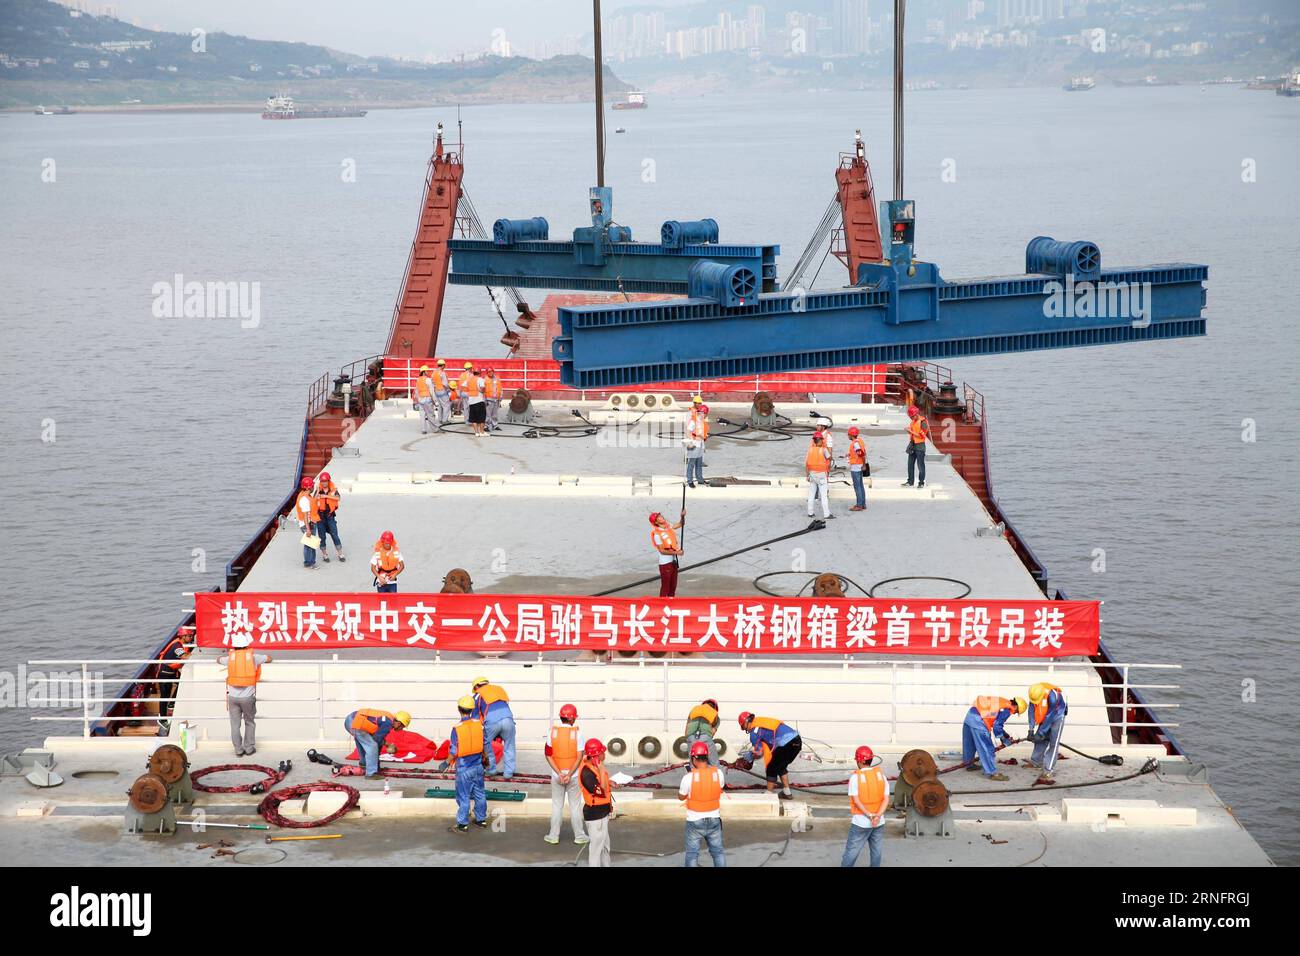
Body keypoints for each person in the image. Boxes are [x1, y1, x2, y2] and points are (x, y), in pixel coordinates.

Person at [216, 634, 270, 757]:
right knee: (249, 722)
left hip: (233, 698)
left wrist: (223, 658)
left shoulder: (229, 658)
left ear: (234, 646)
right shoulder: (254, 657)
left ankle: (238, 750)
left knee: (235, 725)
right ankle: (249, 748)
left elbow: (218, 660)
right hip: (247, 697)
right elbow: (269, 658)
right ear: (246, 645)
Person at [543, 703, 588, 846]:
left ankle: (553, 836)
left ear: (561, 717)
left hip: (557, 776)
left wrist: (559, 773)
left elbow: (548, 755)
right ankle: (580, 836)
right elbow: (580, 756)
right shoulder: (578, 734)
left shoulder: (552, 732)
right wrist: (569, 774)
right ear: (573, 719)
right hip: (573, 777)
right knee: (575, 807)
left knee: (557, 806)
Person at [678, 740, 726, 867]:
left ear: (693, 758)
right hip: (714, 819)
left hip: (694, 820)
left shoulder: (688, 777)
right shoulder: (718, 773)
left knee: (692, 854)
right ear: (707, 756)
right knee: (718, 853)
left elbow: (681, 796)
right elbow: (719, 788)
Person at [841, 745, 890, 867]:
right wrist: (877, 816)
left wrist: (870, 815)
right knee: (876, 850)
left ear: (860, 761)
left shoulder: (855, 777)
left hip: (861, 822)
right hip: (879, 822)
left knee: (851, 851)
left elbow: (856, 801)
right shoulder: (881, 776)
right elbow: (886, 799)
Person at [738, 711, 803, 799]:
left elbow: (759, 753)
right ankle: (787, 792)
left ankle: (769, 794)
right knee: (780, 766)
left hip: (785, 744)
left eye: (743, 727)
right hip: (797, 741)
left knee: (771, 767)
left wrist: (749, 758)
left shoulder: (754, 732)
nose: (745, 730)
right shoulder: (761, 721)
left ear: (745, 723)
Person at [962, 695, 1026, 781]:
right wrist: (1003, 739)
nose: (1014, 713)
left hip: (970, 716)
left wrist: (1004, 733)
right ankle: (992, 773)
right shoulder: (1007, 709)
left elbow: (994, 719)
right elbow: (997, 725)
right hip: (979, 721)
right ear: (1016, 707)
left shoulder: (1003, 702)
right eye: (1016, 712)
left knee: (969, 744)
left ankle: (968, 764)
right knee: (987, 748)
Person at [449, 696, 489, 832]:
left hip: (464, 768)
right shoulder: (479, 725)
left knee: (464, 796)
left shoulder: (457, 729)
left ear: (459, 709)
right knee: (480, 793)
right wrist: (486, 760)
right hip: (478, 767)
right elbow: (484, 745)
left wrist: (445, 763)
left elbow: (454, 751)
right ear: (472, 709)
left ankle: (462, 824)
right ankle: (481, 820)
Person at [578, 738, 616, 866]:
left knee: (605, 848)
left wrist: (611, 782)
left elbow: (603, 782)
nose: (604, 754)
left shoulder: (594, 766)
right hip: (595, 817)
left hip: (602, 814)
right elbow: (602, 790)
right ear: (595, 756)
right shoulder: (586, 774)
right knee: (596, 850)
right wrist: (601, 769)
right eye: (602, 752)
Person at [344, 708, 410, 779]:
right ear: (399, 723)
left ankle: (364, 765)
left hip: (352, 719)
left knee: (364, 741)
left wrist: (386, 744)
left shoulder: (388, 718)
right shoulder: (388, 724)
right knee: (372, 746)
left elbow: (377, 736)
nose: (402, 729)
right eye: (402, 727)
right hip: (355, 722)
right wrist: (388, 746)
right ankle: (371, 773)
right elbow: (377, 740)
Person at [471, 677, 516, 778]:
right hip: (508, 719)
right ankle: (508, 773)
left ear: (477, 686)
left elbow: (475, 718)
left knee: (486, 744)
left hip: (492, 722)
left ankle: (491, 770)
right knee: (509, 746)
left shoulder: (477, 695)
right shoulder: (499, 689)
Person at [1025, 682, 1068, 779]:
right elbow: (1031, 711)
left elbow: (1050, 716)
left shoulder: (1053, 697)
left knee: (1054, 742)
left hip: (1057, 716)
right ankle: (1036, 761)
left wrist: (1041, 732)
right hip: (1046, 715)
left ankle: (1048, 770)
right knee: (1040, 739)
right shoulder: (1034, 693)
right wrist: (1031, 730)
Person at [650, 510, 685, 597]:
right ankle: (661, 605)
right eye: (659, 517)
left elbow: (681, 524)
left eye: (661, 516)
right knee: (665, 587)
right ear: (656, 522)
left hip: (673, 562)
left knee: (673, 587)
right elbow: (662, 551)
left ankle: (670, 605)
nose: (662, 517)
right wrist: (677, 552)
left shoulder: (668, 528)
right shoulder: (657, 534)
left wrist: (682, 516)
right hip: (665, 564)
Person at [314, 472, 345, 563]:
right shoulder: (318, 490)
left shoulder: (334, 490)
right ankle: (325, 555)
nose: (324, 483)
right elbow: (313, 500)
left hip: (330, 516)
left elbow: (338, 498)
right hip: (320, 517)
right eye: (322, 481)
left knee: (335, 535)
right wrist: (317, 493)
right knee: (322, 537)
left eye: (325, 481)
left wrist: (326, 496)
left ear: (328, 481)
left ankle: (340, 554)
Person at [683, 698, 721, 766]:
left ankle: (692, 773)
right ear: (714, 707)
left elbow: (686, 730)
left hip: (691, 737)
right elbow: (712, 732)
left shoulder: (694, 710)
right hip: (705, 738)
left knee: (693, 765)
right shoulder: (715, 714)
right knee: (715, 764)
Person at [805, 430, 833, 519]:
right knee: (824, 495)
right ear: (821, 440)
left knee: (811, 494)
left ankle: (810, 513)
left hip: (812, 474)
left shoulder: (810, 450)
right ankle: (826, 514)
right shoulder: (823, 449)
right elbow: (830, 458)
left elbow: (806, 463)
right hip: (821, 475)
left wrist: (807, 475)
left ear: (814, 440)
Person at [293, 477, 320, 569]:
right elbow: (305, 516)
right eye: (312, 486)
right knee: (310, 544)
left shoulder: (304, 495)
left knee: (309, 544)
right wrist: (308, 529)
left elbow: (311, 503)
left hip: (309, 523)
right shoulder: (304, 500)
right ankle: (310, 563)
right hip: (307, 524)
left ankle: (309, 562)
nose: (313, 487)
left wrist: (316, 492)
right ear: (308, 488)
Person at [902, 405, 931, 489]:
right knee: (910, 464)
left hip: (920, 447)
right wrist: (909, 431)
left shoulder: (923, 422)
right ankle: (910, 481)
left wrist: (910, 431)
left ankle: (921, 482)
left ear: (916, 414)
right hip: (913, 445)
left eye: (912, 416)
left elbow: (921, 436)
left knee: (920, 466)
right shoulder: (913, 422)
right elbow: (913, 433)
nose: (911, 418)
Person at [685, 398, 709, 487]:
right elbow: (688, 431)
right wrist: (692, 442)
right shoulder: (693, 421)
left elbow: (702, 434)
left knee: (699, 463)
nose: (705, 416)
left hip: (701, 445)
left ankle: (700, 479)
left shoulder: (703, 422)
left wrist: (704, 441)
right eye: (705, 414)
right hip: (694, 445)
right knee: (691, 463)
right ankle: (690, 480)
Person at [459, 362, 487, 437]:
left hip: (470, 398)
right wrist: (482, 391)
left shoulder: (465, 377)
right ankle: (482, 432)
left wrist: (469, 391)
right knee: (481, 417)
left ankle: (476, 432)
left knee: (472, 416)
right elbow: (483, 388)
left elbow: (462, 386)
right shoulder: (479, 378)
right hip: (479, 399)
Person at [846, 426, 869, 512]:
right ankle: (862, 504)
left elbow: (861, 454)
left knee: (857, 487)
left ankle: (859, 505)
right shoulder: (860, 441)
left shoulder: (855, 443)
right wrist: (849, 455)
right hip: (859, 466)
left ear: (851, 435)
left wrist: (864, 465)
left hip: (856, 467)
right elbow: (861, 453)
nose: (847, 435)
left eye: (848, 434)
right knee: (861, 486)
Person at [414, 364, 439, 434]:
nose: (428, 372)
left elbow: (416, 391)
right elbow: (432, 391)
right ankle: (435, 429)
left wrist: (417, 400)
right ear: (424, 372)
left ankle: (423, 429)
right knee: (430, 415)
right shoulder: (428, 380)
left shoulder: (418, 380)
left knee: (422, 415)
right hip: (427, 400)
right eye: (427, 371)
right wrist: (435, 401)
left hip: (421, 400)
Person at [432, 359, 452, 428]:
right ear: (443, 365)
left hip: (436, 391)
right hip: (442, 391)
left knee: (440, 406)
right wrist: (449, 388)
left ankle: (440, 419)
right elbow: (445, 384)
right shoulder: (442, 373)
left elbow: (433, 382)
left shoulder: (434, 372)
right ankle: (445, 420)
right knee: (446, 405)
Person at [483, 367, 503, 432]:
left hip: (496, 399)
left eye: (491, 371)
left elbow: (500, 388)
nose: (490, 373)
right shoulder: (485, 380)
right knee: (488, 414)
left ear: (493, 372)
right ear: (487, 373)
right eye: (489, 372)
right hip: (488, 399)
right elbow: (483, 391)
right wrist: (484, 400)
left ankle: (495, 425)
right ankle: (486, 425)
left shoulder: (497, 378)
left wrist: (501, 397)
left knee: (495, 414)